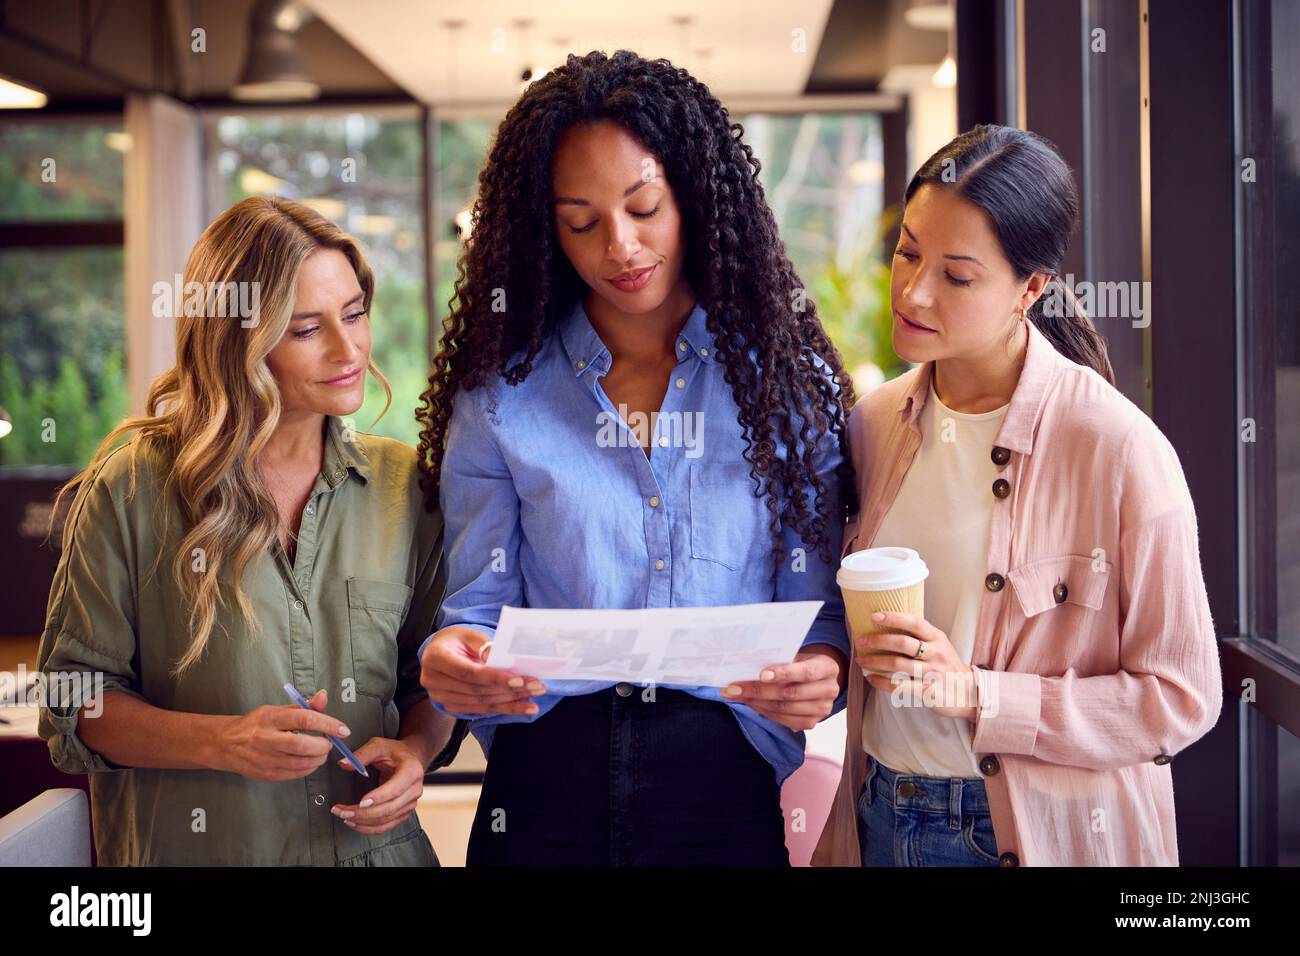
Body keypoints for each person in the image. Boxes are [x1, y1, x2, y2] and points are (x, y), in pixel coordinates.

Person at [415, 50, 857, 866]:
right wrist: (453, 659)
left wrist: (821, 667)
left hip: (722, 776)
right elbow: (477, 607)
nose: (620, 246)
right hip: (543, 777)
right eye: (580, 222)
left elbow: (817, 609)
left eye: (644, 206)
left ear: (693, 195)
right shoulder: (501, 395)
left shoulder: (789, 386)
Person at [812, 125, 1223, 867]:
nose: (913, 291)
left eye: (958, 276)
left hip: (1024, 832)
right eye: (908, 251)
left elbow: (1182, 698)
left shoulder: (1117, 448)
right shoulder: (873, 424)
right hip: (877, 815)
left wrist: (979, 693)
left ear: (1030, 290)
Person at [37, 196, 467, 865]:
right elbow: (74, 699)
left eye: (354, 313)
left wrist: (415, 751)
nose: (348, 346)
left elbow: (432, 682)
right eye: (305, 329)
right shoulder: (132, 487)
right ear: (237, 338)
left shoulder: (404, 485)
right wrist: (222, 741)